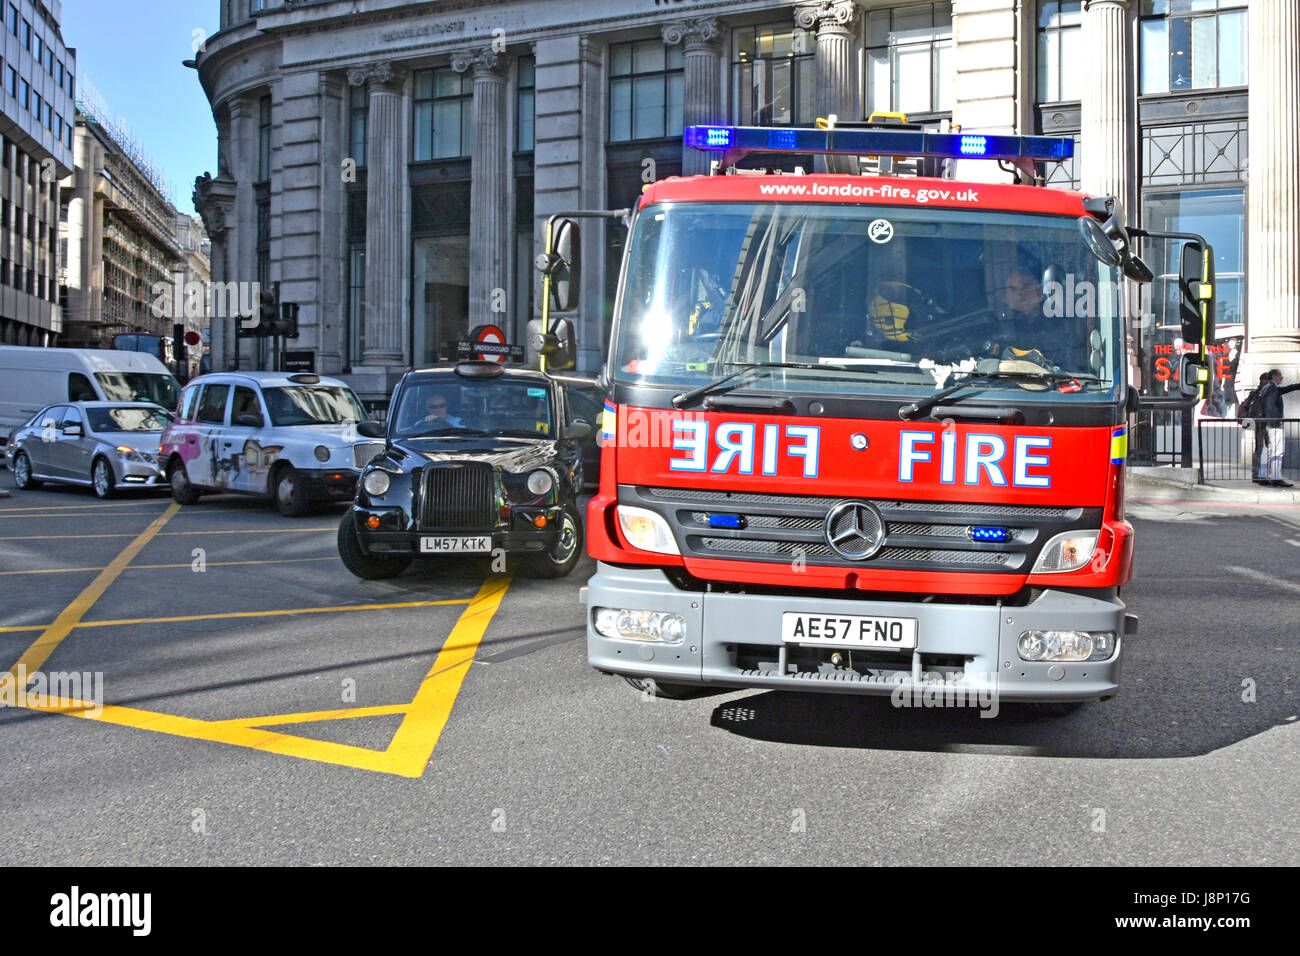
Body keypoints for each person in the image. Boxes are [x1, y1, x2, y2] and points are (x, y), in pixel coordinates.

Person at [1256, 368, 1300, 487]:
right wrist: (1277, 420)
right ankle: (1276, 477)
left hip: (1266, 424)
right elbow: (1270, 406)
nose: (1282, 378)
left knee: (1267, 450)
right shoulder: (1272, 388)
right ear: (1275, 376)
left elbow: (1285, 389)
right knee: (1277, 450)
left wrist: (1297, 386)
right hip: (1273, 424)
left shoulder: (1268, 387)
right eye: (1280, 375)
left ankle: (1263, 475)